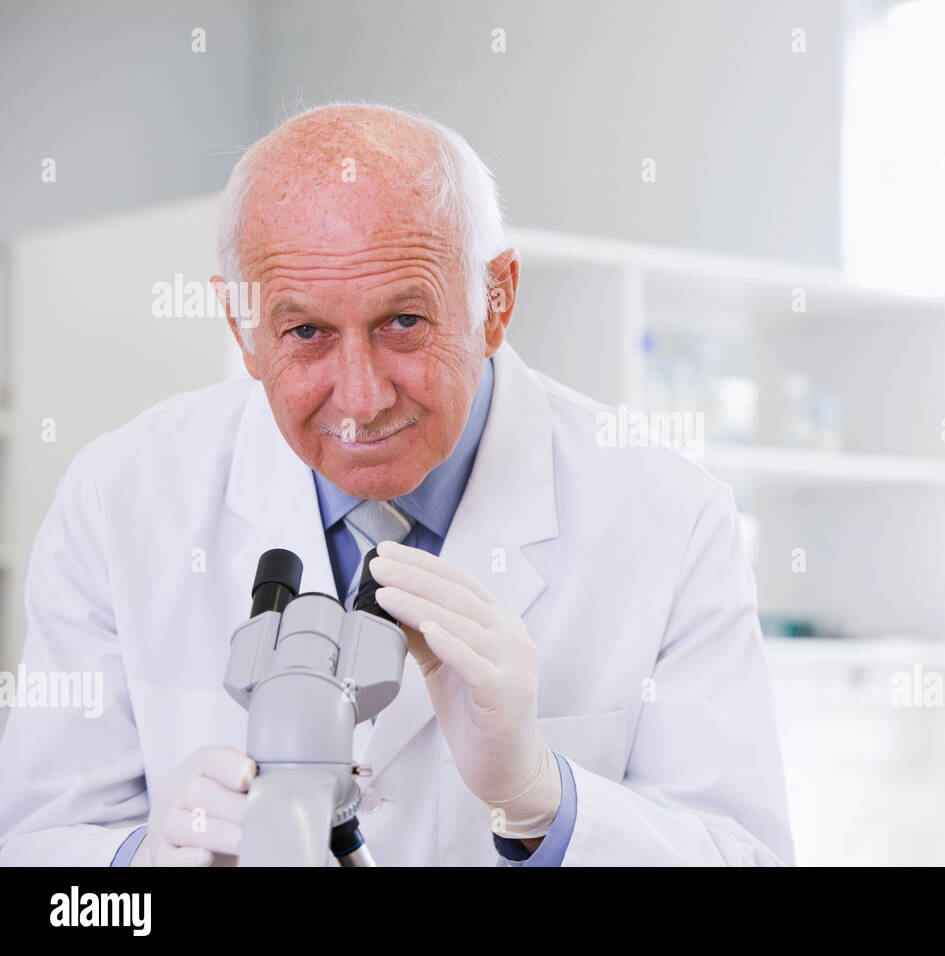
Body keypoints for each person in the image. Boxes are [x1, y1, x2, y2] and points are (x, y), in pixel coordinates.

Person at [0, 103, 793, 866]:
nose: (361, 397)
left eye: (403, 323)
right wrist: (146, 867)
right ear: (242, 328)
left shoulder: (671, 517)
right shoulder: (121, 498)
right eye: (305, 331)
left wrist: (542, 802)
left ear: (496, 300)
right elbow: (40, 854)